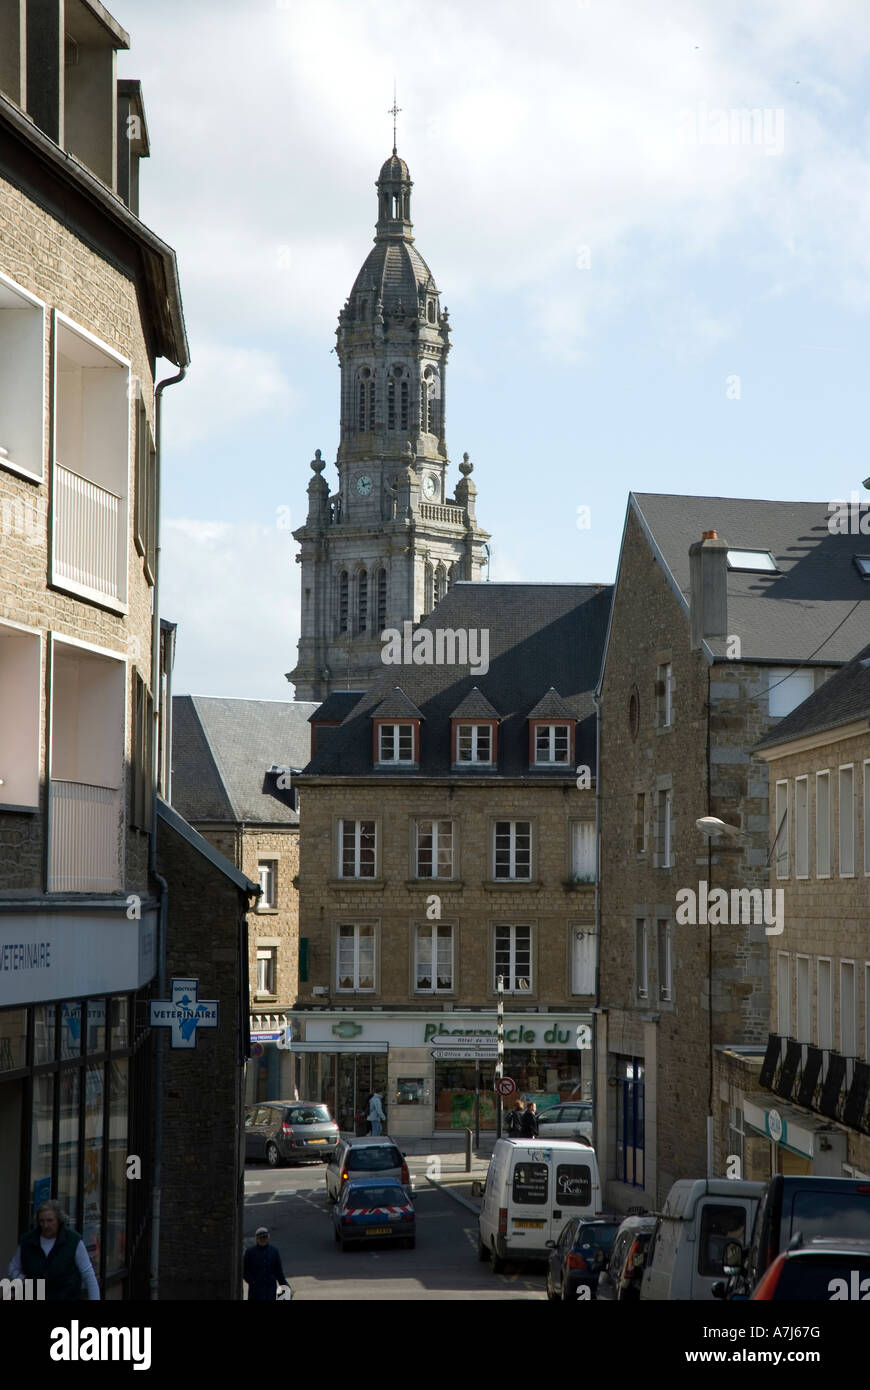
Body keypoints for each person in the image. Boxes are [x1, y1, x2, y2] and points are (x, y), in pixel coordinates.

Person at [8, 1199, 100, 1300]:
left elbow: (88, 1276)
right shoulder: (27, 1241)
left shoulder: (73, 1241)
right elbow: (13, 1267)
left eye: (50, 1220)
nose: (46, 1225)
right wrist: (23, 1280)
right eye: (42, 1221)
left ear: (59, 1220)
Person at [243, 1226, 287, 1302]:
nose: (263, 1239)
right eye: (261, 1238)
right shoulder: (250, 1252)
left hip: (270, 1289)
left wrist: (284, 1285)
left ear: (268, 1237)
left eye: (265, 1237)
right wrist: (252, 1281)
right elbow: (245, 1270)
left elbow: (278, 1271)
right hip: (256, 1290)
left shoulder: (274, 1251)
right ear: (257, 1239)